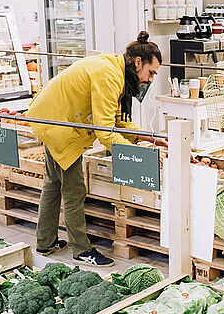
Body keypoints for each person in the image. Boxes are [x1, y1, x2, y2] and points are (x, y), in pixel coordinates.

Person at [27, 31, 166, 267]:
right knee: (74, 190)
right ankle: (81, 250)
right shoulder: (110, 76)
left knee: (53, 183)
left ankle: (45, 242)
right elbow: (106, 131)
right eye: (151, 72)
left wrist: (151, 138)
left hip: (50, 117)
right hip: (59, 125)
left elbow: (115, 119)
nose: (151, 79)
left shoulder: (116, 70)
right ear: (138, 62)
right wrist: (141, 155)